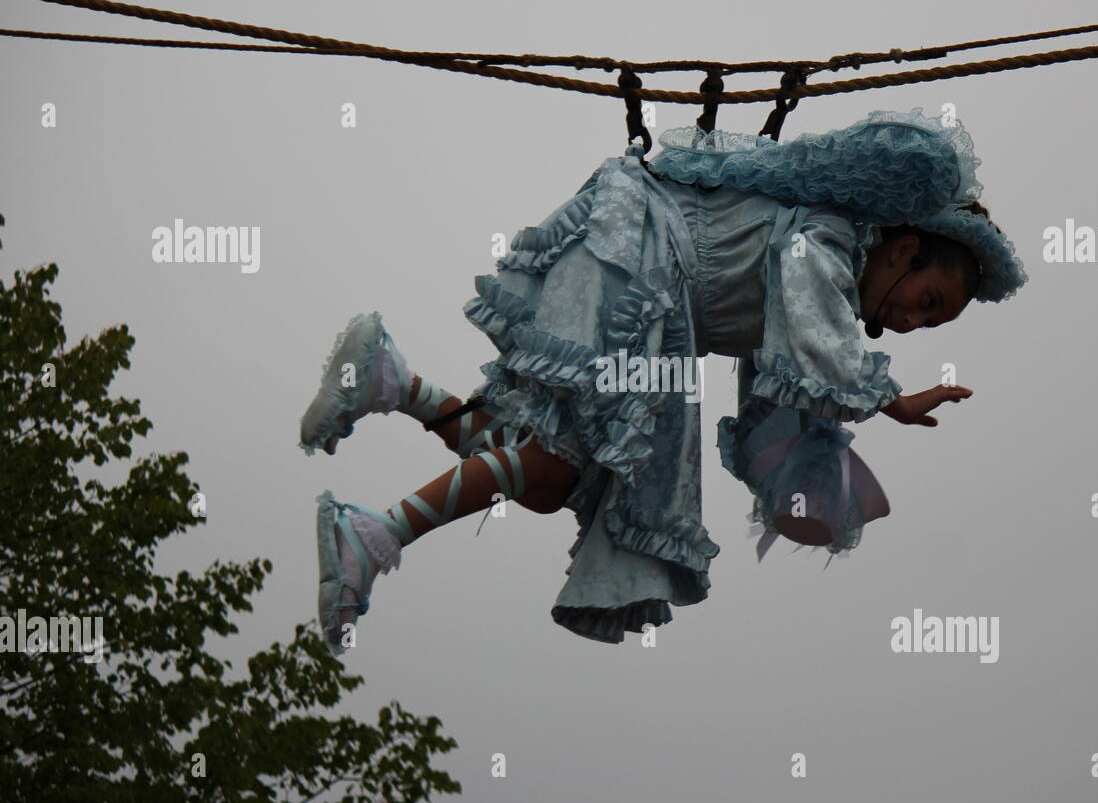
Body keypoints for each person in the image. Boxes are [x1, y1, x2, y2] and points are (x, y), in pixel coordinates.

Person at [299, 107, 1028, 655]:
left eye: (928, 327)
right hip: (637, 262)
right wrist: (889, 399)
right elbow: (819, 337)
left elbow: (781, 390)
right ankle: (377, 531)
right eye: (926, 301)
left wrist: (812, 484)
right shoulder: (826, 241)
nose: (908, 323)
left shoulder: (821, 280)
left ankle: (393, 382)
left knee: (555, 481)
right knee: (557, 460)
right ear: (903, 249)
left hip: (649, 293)